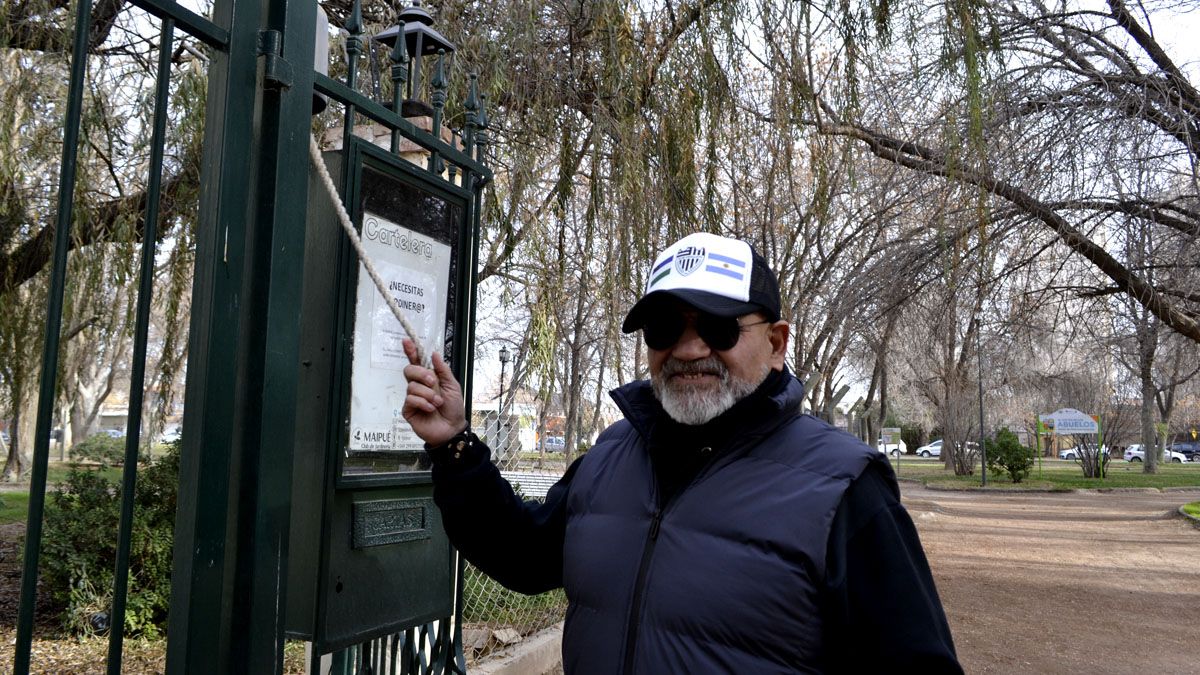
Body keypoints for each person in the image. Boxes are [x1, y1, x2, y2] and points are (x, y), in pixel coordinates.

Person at [402, 232, 961, 673]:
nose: (689, 348)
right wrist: (455, 447)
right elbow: (524, 557)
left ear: (776, 343)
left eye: (718, 327)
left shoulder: (844, 485)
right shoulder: (612, 453)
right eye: (665, 326)